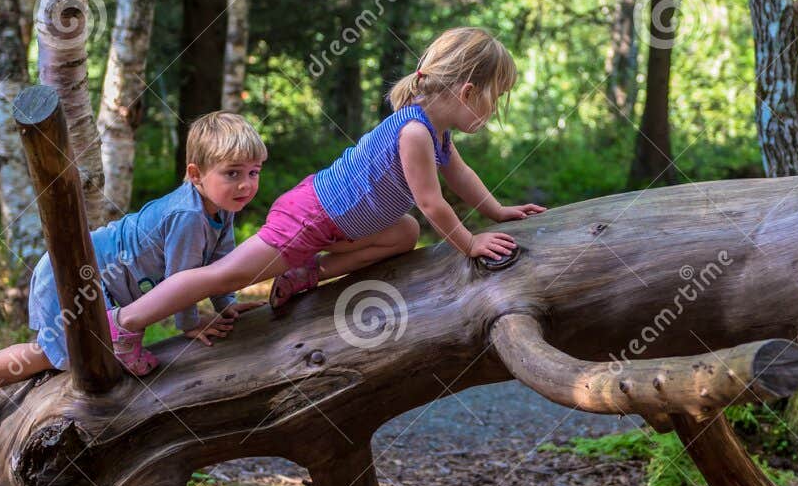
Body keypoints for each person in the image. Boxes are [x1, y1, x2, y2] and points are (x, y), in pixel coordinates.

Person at [108, 26, 545, 340]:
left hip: (342, 226)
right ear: (468, 91)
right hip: (310, 218)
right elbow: (432, 205)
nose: (494, 110)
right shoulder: (413, 131)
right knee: (220, 277)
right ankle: (125, 323)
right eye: (496, 97)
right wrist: (469, 244)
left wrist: (496, 211)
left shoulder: (438, 134)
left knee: (405, 232)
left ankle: (306, 274)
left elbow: (460, 177)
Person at [0, 111, 266, 435]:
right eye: (232, 173)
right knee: (63, 355)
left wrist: (226, 303)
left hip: (90, 276)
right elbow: (184, 278)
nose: (245, 185)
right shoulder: (189, 216)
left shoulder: (220, 211)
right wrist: (191, 324)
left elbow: (222, 261)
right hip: (79, 274)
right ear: (196, 174)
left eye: (254, 173)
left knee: (63, 353)